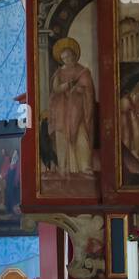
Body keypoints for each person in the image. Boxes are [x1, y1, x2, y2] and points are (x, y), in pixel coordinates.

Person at [48, 37, 96, 176]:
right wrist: (64, 86)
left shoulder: (83, 71)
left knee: (82, 135)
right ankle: (63, 167)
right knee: (61, 136)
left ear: (74, 55)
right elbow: (55, 89)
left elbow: (88, 90)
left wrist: (80, 90)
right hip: (62, 110)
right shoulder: (59, 72)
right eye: (63, 58)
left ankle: (84, 166)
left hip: (77, 109)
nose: (66, 60)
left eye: (68, 56)